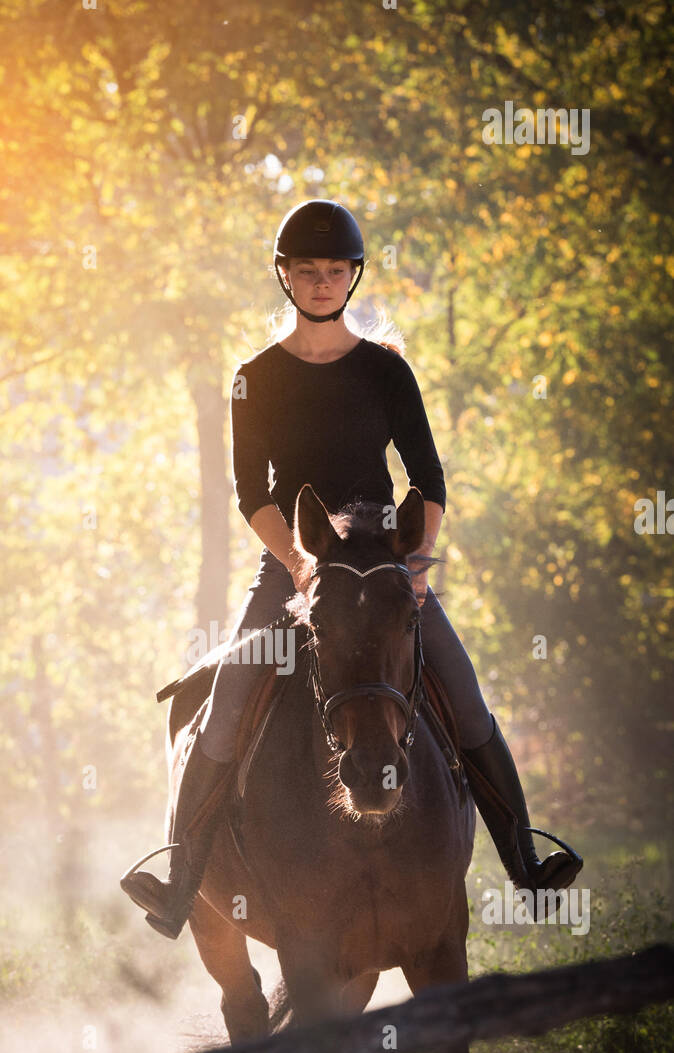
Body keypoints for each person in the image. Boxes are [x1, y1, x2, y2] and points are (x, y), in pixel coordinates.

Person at [121, 199, 582, 939]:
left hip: (382, 567)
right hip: (292, 566)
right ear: (287, 278)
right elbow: (252, 494)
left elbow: (427, 478)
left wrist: (417, 567)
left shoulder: (385, 372)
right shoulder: (254, 378)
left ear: (352, 278)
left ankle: (527, 867)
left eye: (336, 272)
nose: (324, 283)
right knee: (227, 697)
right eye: (309, 272)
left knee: (463, 698)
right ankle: (180, 883)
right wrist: (301, 568)